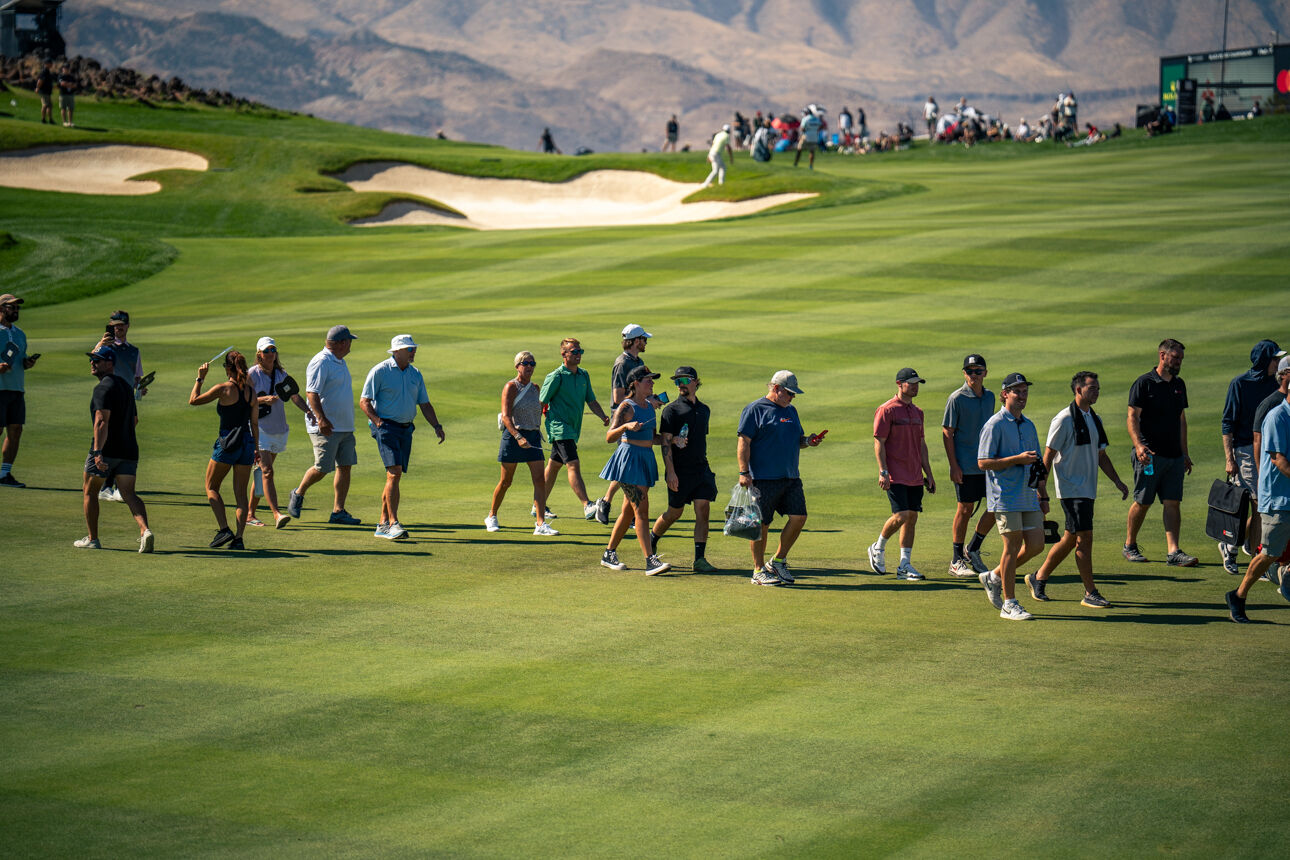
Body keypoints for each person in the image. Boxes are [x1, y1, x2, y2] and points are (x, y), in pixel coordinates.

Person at [1025, 372, 1130, 608]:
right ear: (1078, 390)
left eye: (1098, 388)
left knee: (1070, 539)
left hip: (1087, 490)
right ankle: (1090, 592)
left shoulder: (1095, 419)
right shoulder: (1063, 419)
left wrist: (1117, 481)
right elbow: (1048, 455)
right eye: (1092, 387)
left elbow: (1101, 455)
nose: (1097, 391)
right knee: (1085, 538)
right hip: (1071, 490)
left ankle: (1038, 577)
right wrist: (1042, 491)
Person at [736, 370, 825, 585]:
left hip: (790, 476)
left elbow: (798, 441)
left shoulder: (792, 411)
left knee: (799, 517)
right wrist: (744, 472)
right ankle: (758, 571)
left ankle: (778, 560)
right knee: (761, 525)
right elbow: (743, 442)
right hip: (763, 478)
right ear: (776, 389)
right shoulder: (755, 410)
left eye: (794, 394)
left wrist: (808, 441)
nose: (792, 398)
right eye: (789, 393)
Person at [359, 334, 445, 540]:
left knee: (394, 477)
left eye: (413, 348)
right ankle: (393, 523)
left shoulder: (416, 374)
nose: (413, 351)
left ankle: (381, 524)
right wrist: (378, 423)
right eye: (409, 349)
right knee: (394, 472)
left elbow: (424, 403)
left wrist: (437, 426)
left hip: (406, 429)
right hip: (386, 426)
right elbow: (364, 401)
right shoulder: (380, 371)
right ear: (396, 351)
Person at [977, 373, 1045, 621]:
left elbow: (1037, 462)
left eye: (1025, 391)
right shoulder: (994, 424)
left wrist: (1043, 494)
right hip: (1005, 496)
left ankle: (994, 576)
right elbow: (983, 462)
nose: (1023, 396)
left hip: (1028, 495)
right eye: (1018, 391)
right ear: (1005, 394)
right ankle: (1009, 603)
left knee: (1036, 544)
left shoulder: (1028, 424)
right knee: (1012, 546)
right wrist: (1016, 460)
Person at [1123, 338, 1196, 566]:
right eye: (1175, 358)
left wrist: (1184, 452)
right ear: (1162, 356)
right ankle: (1130, 545)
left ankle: (1173, 552)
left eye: (1181, 359)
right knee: (1143, 502)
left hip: (1174, 455)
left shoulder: (1179, 384)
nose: (1178, 363)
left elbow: (1181, 420)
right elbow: (1132, 416)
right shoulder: (1144, 383)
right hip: (1149, 455)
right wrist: (1138, 445)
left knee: (1172, 502)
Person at [76, 346, 153, 551]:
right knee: (129, 494)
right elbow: (134, 420)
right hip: (129, 450)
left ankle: (93, 538)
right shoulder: (125, 386)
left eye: (97, 360)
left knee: (89, 491)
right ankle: (145, 530)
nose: (93, 363)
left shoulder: (102, 388)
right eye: (92, 359)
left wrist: (98, 452)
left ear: (109, 363)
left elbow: (101, 421)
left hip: (107, 451)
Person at [1218, 340, 1285, 572]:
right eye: (1275, 359)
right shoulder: (1240, 384)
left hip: (1271, 449)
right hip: (1246, 450)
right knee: (1256, 503)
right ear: (1264, 361)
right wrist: (1230, 459)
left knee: (1261, 504)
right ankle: (1233, 549)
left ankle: (1247, 547)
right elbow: (1228, 423)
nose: (1277, 363)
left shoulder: (1275, 385)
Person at [1226, 386, 1290, 622]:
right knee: (1269, 553)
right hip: (1279, 501)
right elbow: (1277, 459)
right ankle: (1239, 595)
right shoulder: (1277, 417)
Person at [598, 366, 671, 575]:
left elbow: (652, 438)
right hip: (628, 461)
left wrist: (671, 440)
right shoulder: (626, 407)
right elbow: (609, 436)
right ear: (636, 383)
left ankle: (608, 553)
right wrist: (625, 427)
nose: (652, 383)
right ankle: (650, 560)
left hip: (645, 459)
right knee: (641, 510)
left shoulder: (649, 406)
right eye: (648, 380)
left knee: (628, 511)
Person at [287, 325, 362, 526]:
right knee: (322, 468)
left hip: (344, 426)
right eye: (349, 341)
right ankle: (298, 492)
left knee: (345, 467)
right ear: (341, 343)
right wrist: (321, 419)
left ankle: (338, 511)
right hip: (326, 426)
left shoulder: (339, 361)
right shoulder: (321, 362)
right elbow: (312, 393)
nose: (350, 345)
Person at [868, 368, 935, 580]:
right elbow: (879, 442)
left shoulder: (918, 412)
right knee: (901, 515)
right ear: (900, 383)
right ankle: (878, 547)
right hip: (895, 473)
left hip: (915, 474)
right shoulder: (887, 410)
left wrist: (929, 473)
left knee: (911, 517)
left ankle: (904, 564)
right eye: (911, 383)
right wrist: (883, 471)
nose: (915, 387)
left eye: (917, 383)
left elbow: (921, 444)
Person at [649, 366, 718, 572]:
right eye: (677, 381)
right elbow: (665, 443)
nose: (680, 385)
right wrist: (670, 472)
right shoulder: (671, 410)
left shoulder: (704, 410)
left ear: (696, 381)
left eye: (684, 380)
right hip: (679, 471)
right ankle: (651, 541)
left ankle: (699, 559)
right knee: (673, 513)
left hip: (701, 469)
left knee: (703, 509)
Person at [189, 350, 259, 550]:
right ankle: (238, 538)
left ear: (228, 368)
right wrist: (257, 448)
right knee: (241, 495)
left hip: (228, 441)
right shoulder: (251, 392)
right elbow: (254, 423)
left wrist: (200, 378)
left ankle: (224, 529)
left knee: (211, 487)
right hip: (247, 442)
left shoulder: (223, 389)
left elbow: (193, 400)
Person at [539, 337, 611, 520]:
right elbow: (541, 402)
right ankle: (587, 505)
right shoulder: (556, 376)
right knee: (573, 464)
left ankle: (538, 505)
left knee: (554, 466)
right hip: (559, 427)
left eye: (580, 352)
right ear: (564, 354)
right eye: (574, 352)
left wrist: (602, 416)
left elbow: (591, 400)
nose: (579, 355)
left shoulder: (584, 374)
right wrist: (533, 426)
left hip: (573, 428)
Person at [487, 351, 557, 536]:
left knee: (539, 480)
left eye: (532, 363)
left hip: (533, 437)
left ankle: (540, 523)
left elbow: (540, 409)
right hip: (513, 437)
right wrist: (518, 437)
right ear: (517, 366)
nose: (529, 367)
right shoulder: (511, 387)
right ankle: (492, 515)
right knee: (506, 481)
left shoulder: (535, 387)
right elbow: (506, 416)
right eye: (525, 363)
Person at [246, 337, 313, 529]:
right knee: (267, 472)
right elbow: (243, 400)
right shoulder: (252, 375)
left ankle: (250, 513)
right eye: (266, 351)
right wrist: (263, 400)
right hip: (260, 430)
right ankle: (277, 514)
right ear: (259, 354)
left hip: (278, 429)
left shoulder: (281, 374)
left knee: (261, 474)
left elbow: (294, 396)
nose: (270, 354)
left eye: (273, 350)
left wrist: (307, 410)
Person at [942, 354, 997, 577]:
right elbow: (948, 432)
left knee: (996, 507)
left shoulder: (991, 397)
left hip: (988, 464)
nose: (973, 375)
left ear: (985, 373)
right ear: (964, 373)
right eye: (969, 371)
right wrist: (954, 465)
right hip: (965, 464)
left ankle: (973, 548)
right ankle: (956, 560)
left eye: (978, 371)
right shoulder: (956, 398)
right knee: (964, 510)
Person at [594, 323, 653, 524]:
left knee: (628, 466)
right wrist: (639, 404)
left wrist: (649, 401)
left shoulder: (639, 361)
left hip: (639, 412)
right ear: (636, 341)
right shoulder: (622, 363)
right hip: (625, 417)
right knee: (627, 465)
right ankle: (610, 503)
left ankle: (615, 505)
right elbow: (619, 397)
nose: (646, 342)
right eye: (644, 339)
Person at [97, 310, 147, 503]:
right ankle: (106, 485)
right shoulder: (105, 348)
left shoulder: (134, 350)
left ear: (128, 326)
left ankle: (116, 485)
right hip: (110, 398)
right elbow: (93, 364)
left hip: (128, 400)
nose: (119, 327)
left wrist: (140, 390)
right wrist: (102, 345)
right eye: (115, 324)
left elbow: (136, 378)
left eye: (122, 324)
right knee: (110, 439)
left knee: (127, 433)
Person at [0, 293, 39, 488]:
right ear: (1, 309)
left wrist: (28, 363)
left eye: (17, 308)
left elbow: (20, 360)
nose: (15, 310)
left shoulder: (20, 333)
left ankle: (4, 474)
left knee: (15, 429)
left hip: (16, 388)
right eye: (11, 307)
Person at [57, 62, 77, 127]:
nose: (66, 69)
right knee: (63, 108)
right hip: (63, 94)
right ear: (63, 69)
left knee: (71, 109)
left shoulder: (71, 77)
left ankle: (70, 122)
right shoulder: (61, 76)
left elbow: (75, 85)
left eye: (68, 68)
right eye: (65, 68)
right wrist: (70, 84)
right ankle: (64, 122)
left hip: (70, 95)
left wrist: (67, 84)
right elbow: (62, 84)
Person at [36, 59, 54, 125]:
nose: (52, 64)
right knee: (45, 105)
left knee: (50, 106)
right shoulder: (44, 71)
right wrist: (37, 88)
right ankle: (43, 119)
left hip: (48, 92)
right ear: (46, 64)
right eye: (50, 63)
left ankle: (50, 119)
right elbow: (40, 81)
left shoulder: (48, 71)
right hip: (44, 91)